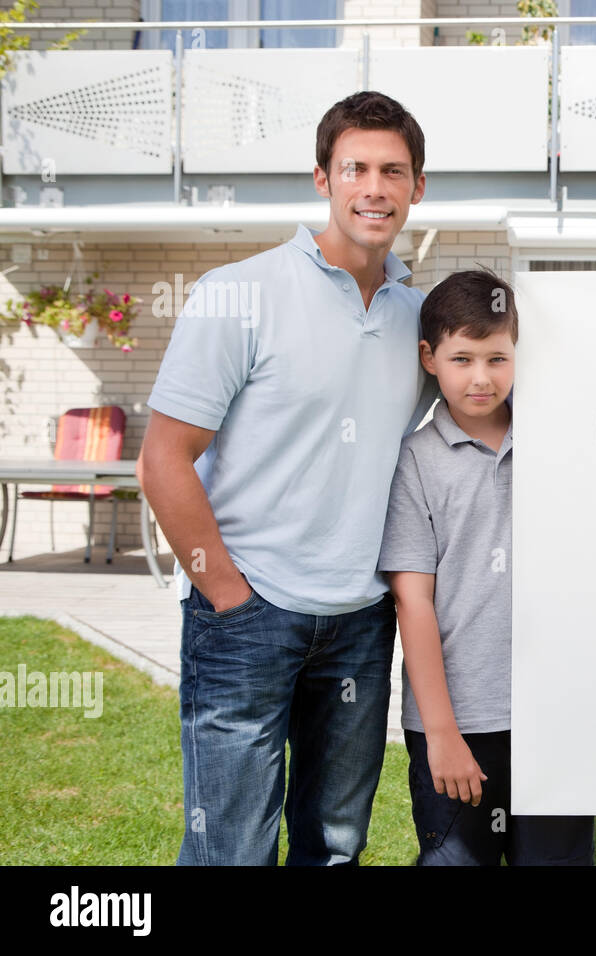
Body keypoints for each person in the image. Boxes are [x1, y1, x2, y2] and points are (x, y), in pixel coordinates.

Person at [137, 91, 437, 865]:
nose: (375, 187)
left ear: (417, 188)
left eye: (393, 171)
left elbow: (507, 365)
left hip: (361, 624)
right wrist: (228, 597)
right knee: (231, 851)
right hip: (247, 616)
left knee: (334, 848)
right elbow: (163, 458)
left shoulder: (420, 319)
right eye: (356, 168)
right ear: (322, 179)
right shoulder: (242, 293)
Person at [378, 270, 595, 866]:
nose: (481, 377)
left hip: (553, 713)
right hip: (457, 721)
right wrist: (442, 734)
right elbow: (412, 602)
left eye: (498, 358)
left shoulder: (558, 440)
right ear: (429, 358)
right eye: (463, 358)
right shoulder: (415, 462)